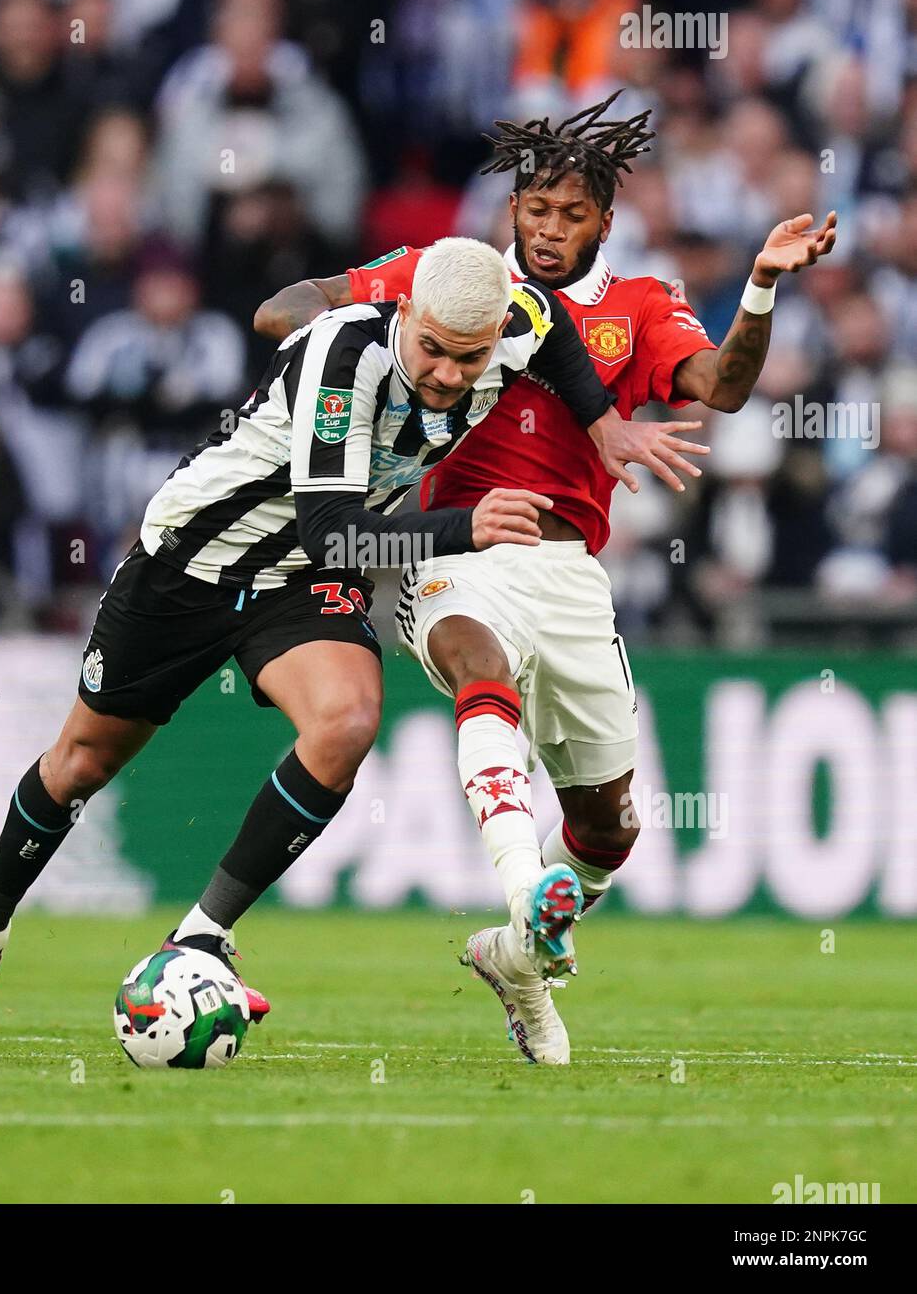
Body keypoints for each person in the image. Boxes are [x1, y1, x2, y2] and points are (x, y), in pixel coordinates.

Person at [0, 235, 688, 1060]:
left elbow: (558, 341)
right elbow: (334, 531)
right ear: (405, 313)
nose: (445, 374)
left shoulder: (518, 319)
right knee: (81, 762)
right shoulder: (341, 355)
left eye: (468, 360)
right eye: (430, 348)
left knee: (347, 720)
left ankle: (200, 939)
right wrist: (462, 526)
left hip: (299, 583)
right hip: (195, 562)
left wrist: (603, 423)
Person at [254, 92, 837, 1063]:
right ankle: (525, 889)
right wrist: (324, 319)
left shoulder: (641, 307)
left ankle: (515, 957)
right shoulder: (450, 281)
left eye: (571, 214)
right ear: (510, 211)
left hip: (568, 568)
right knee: (476, 663)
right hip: (450, 549)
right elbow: (294, 305)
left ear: (604, 219)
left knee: (610, 826)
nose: (549, 229)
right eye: (534, 210)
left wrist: (765, 287)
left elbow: (722, 389)